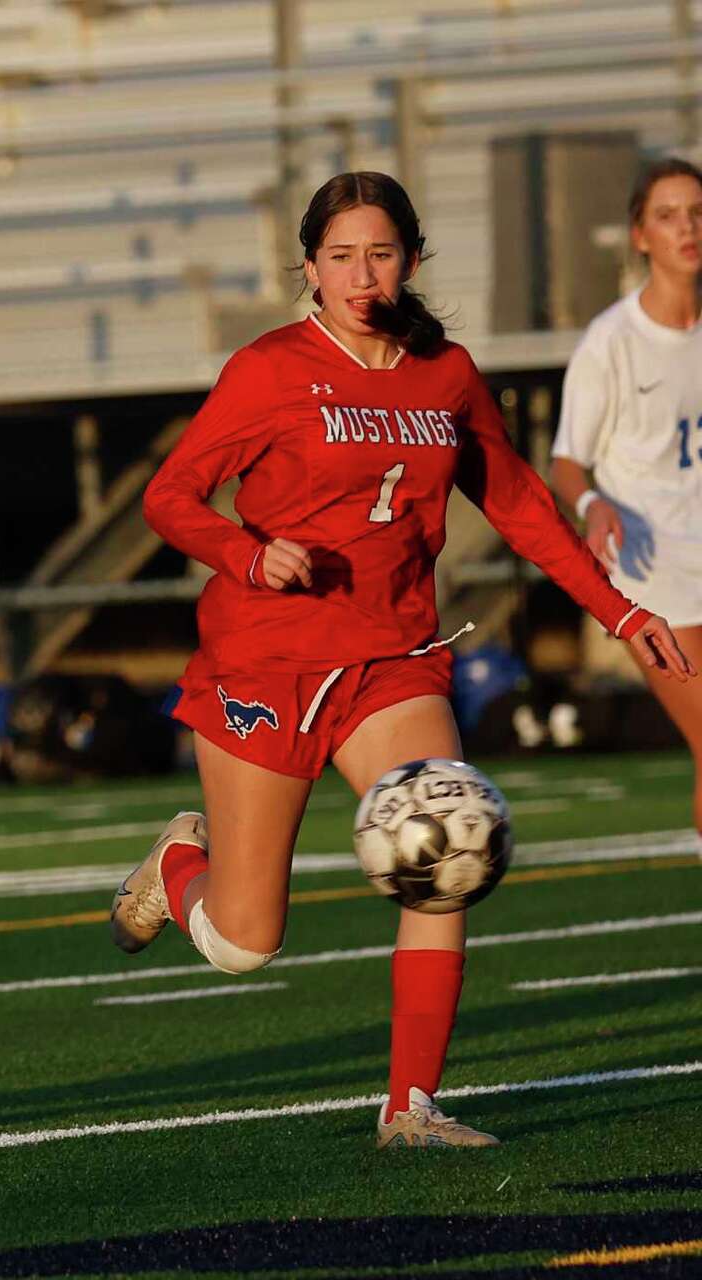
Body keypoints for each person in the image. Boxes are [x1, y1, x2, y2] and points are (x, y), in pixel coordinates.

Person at [112, 171, 691, 1150]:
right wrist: (249, 552)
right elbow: (170, 496)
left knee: (447, 848)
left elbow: (518, 506)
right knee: (247, 942)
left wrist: (621, 609)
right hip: (267, 659)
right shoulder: (270, 368)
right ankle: (178, 864)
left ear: (412, 258)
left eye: (380, 252)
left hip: (394, 657)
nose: (361, 272)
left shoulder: (447, 374)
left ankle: (409, 1105)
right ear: (309, 268)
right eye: (340, 256)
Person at [551, 157, 702, 848]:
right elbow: (565, 463)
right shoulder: (611, 341)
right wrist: (592, 507)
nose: (687, 228)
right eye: (668, 215)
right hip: (656, 574)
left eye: (696, 212)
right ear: (640, 235)